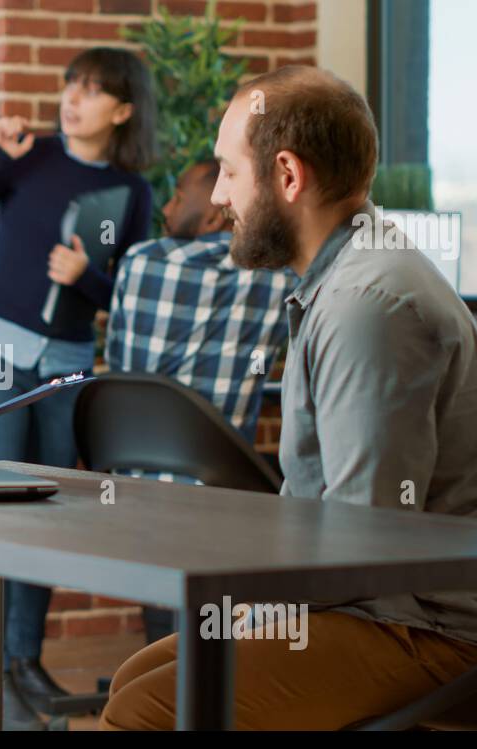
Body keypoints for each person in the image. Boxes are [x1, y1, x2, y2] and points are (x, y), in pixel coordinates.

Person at [101, 65, 477, 730]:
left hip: (434, 628)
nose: (217, 197)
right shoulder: (345, 276)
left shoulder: (367, 304)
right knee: (140, 675)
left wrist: (263, 600)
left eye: (228, 171)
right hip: (381, 606)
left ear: (287, 175)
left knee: (147, 707)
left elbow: (367, 532)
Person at [0, 46, 156, 729]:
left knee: (46, 505)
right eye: (70, 86)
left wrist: (85, 274)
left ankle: (22, 659)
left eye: (91, 91)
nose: (72, 99)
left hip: (67, 361)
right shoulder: (26, 154)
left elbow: (127, 295)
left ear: (122, 109)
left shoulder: (133, 194)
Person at [105, 158, 291, 642]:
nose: (166, 206)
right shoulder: (272, 277)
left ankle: (164, 662)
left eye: (179, 194)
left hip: (138, 484)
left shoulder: (140, 261)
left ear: (213, 214)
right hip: (220, 491)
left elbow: (120, 368)